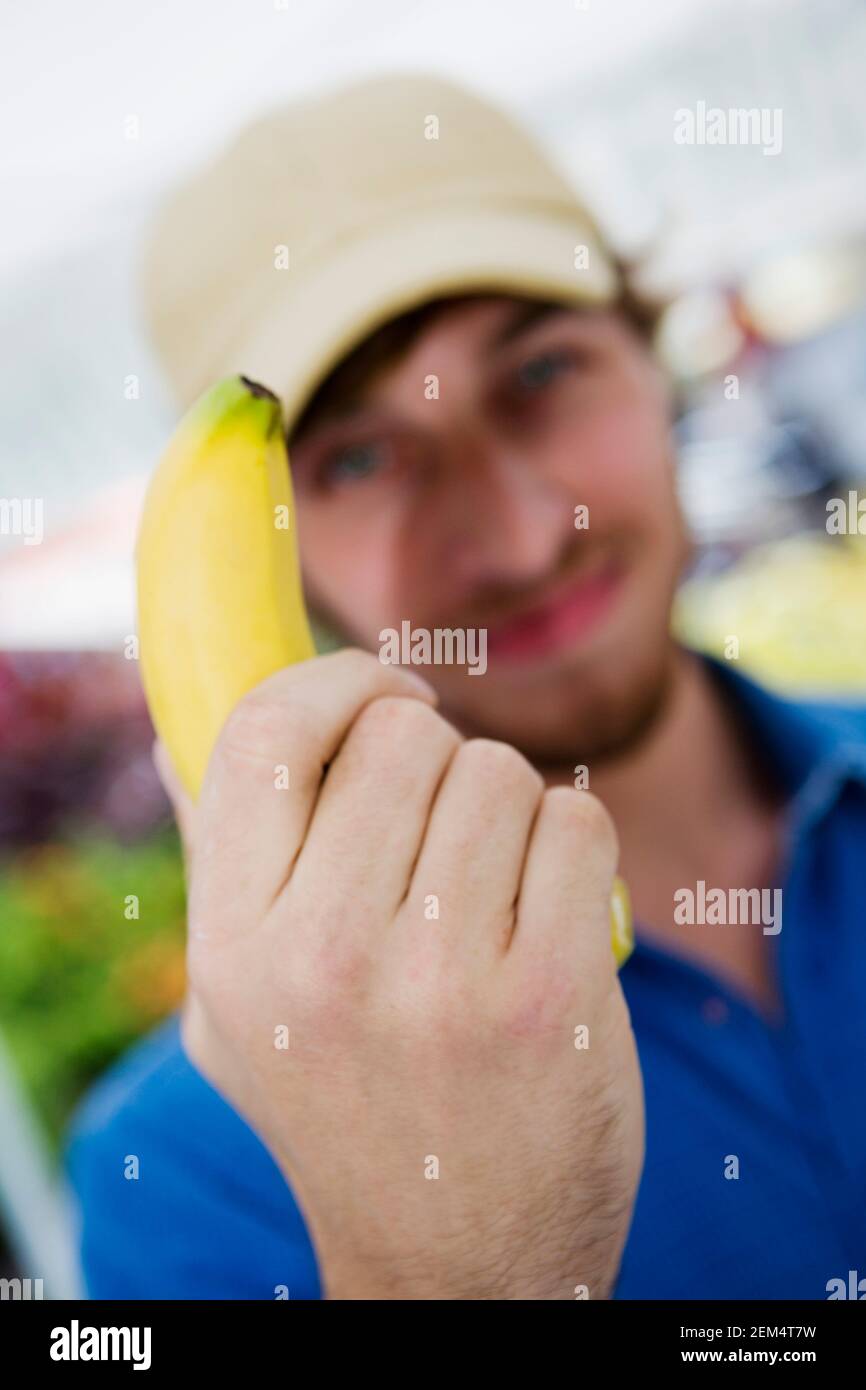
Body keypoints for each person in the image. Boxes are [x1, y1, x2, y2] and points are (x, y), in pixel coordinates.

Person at [68, 73, 866, 1300]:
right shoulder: (185, 1180)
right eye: (362, 457)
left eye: (539, 375)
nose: (520, 538)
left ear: (651, 356)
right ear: (270, 550)